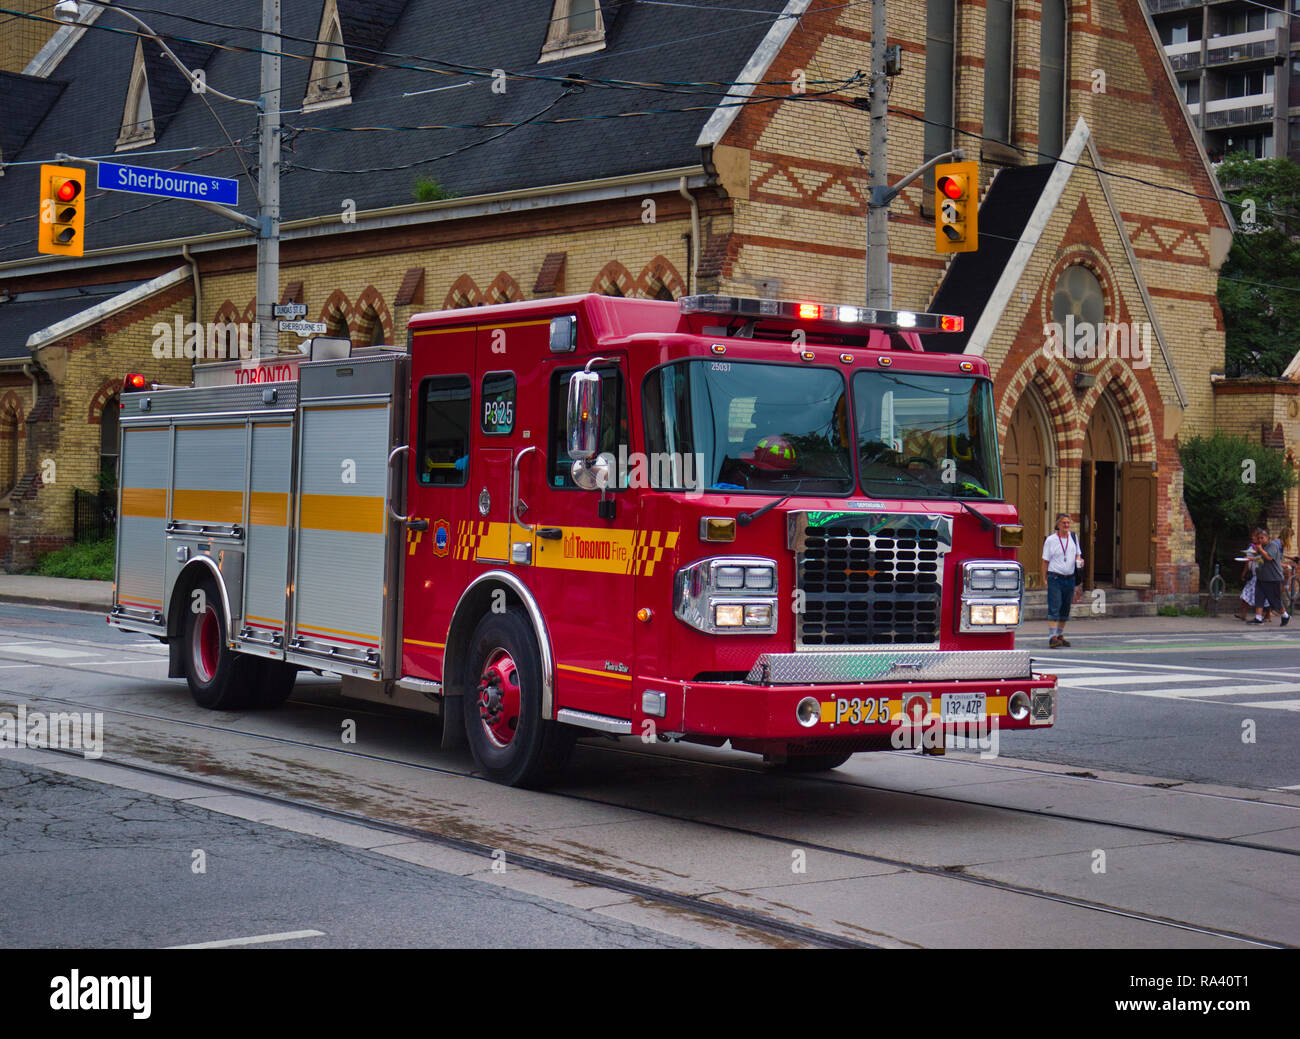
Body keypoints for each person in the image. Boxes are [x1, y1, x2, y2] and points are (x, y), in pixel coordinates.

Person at [1041, 513, 1084, 648]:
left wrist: (1080, 561)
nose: (1066, 525)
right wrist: (1044, 578)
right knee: (1055, 606)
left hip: (1069, 578)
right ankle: (1052, 637)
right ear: (1058, 525)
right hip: (1055, 577)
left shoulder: (1073, 537)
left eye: (1068, 523)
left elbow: (1078, 554)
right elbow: (1045, 561)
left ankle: (1059, 634)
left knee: (1065, 608)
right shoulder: (1051, 540)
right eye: (1063, 523)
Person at [1251, 526, 1290, 626]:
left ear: (1267, 538)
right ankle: (1258, 618)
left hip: (1273, 578)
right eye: (1258, 538)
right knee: (1259, 597)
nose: (1260, 540)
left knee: (1274, 599)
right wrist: (1254, 555)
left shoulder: (1272, 546)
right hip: (1262, 576)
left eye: (1262, 538)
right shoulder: (1261, 547)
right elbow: (1260, 559)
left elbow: (1268, 557)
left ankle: (1285, 615)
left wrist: (1260, 550)